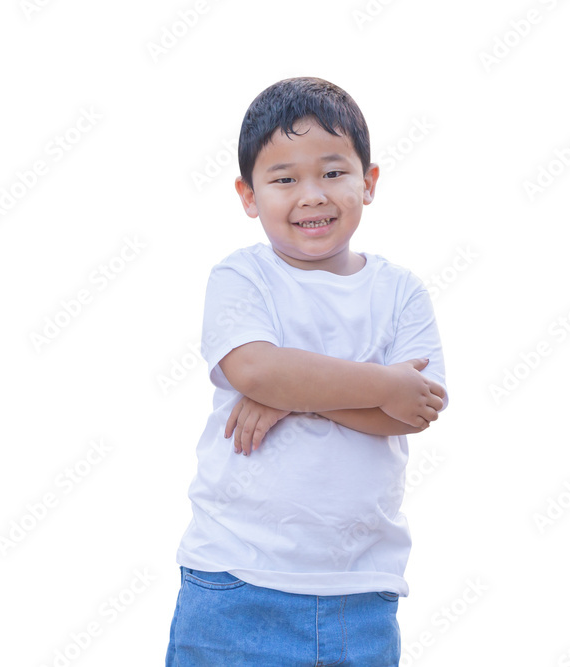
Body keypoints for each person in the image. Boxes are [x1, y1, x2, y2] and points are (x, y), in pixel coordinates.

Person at [165, 76, 448, 666]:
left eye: (333, 172)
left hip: (359, 593)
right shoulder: (242, 277)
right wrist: (375, 385)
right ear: (248, 196)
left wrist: (298, 393)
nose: (312, 194)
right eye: (285, 179)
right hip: (233, 583)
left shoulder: (399, 292)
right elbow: (254, 368)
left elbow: (415, 408)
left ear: (368, 183)